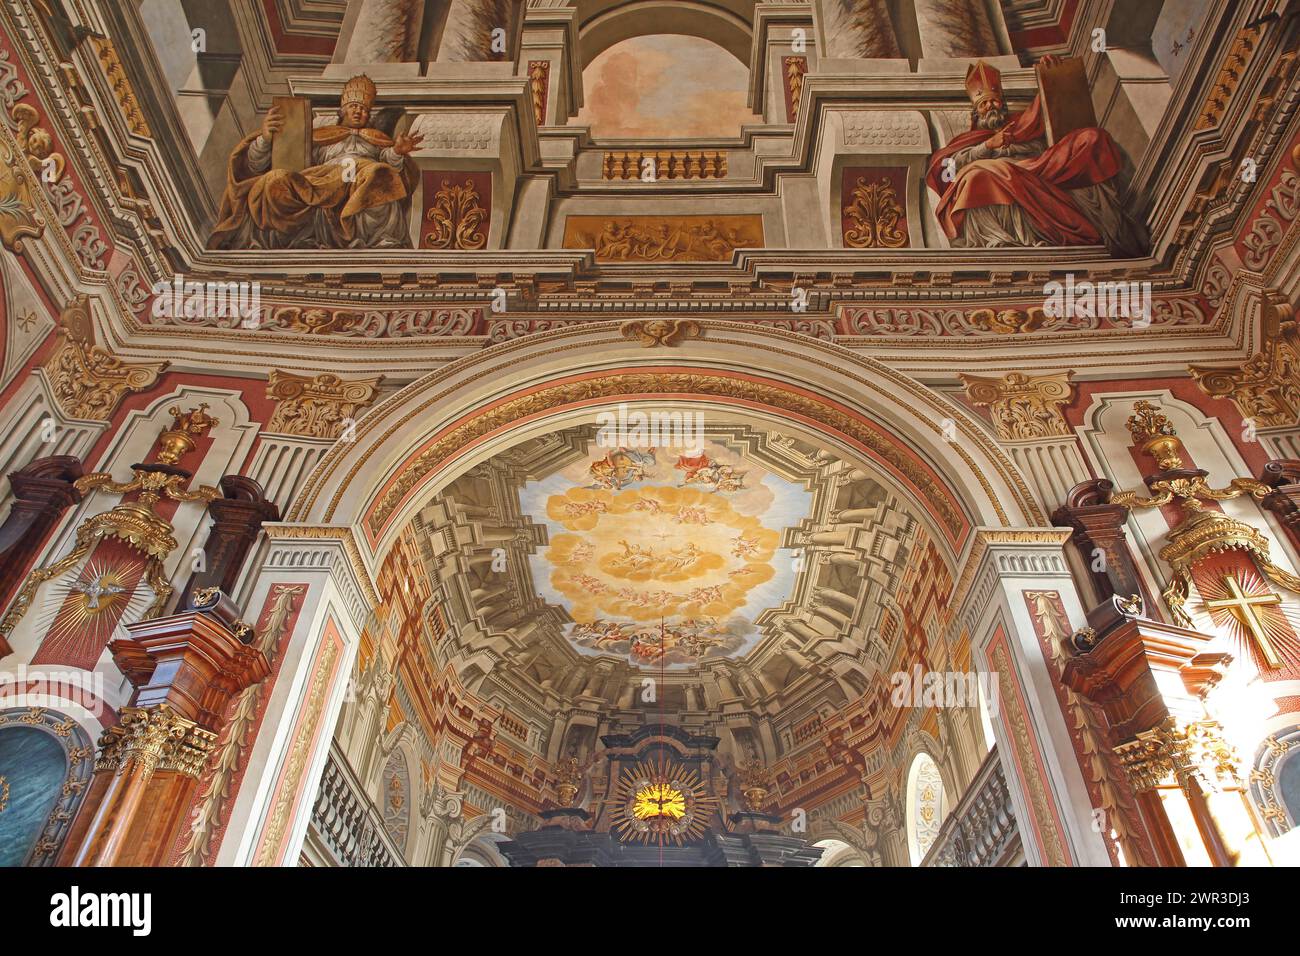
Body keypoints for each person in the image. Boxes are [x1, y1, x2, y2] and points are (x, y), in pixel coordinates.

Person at [925, 58, 1147, 256]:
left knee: (1090, 138)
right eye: (983, 104)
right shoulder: (971, 139)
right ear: (976, 111)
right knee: (976, 176)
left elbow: (1045, 139)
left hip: (1036, 169)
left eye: (994, 101)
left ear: (1001, 103)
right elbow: (949, 169)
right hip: (1003, 176)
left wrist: (1052, 75)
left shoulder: (1022, 124)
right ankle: (1001, 238)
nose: (990, 106)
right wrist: (988, 146)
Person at [209, 74, 423, 249]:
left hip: (363, 176)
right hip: (323, 179)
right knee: (274, 180)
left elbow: (392, 165)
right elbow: (273, 163)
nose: (359, 111)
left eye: (365, 109)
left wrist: (396, 150)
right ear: (342, 110)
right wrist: (266, 139)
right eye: (354, 106)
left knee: (380, 174)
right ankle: (288, 235)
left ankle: (380, 240)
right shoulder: (320, 136)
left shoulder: (376, 140)